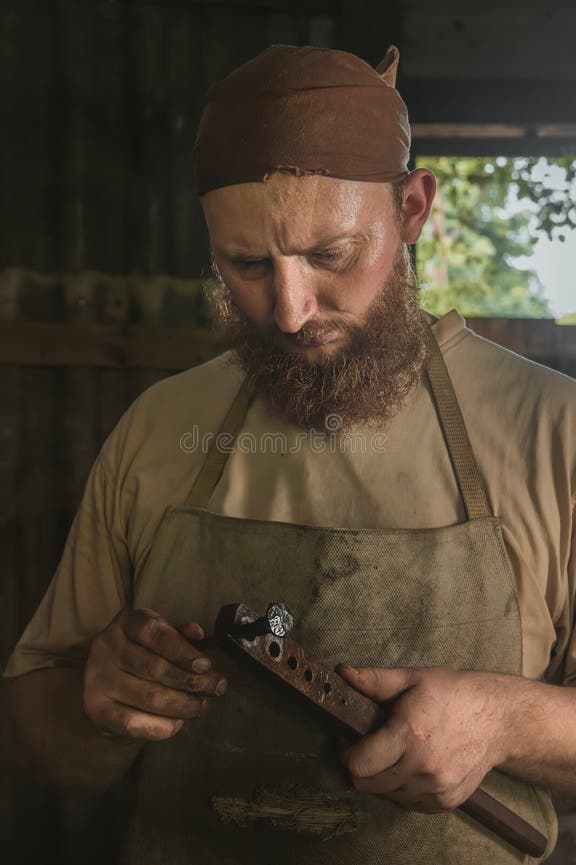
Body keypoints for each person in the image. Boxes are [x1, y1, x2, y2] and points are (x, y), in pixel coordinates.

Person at [3, 43, 576, 865]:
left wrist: (507, 719)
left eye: (329, 255)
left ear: (412, 209)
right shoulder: (158, 430)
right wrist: (97, 704)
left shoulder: (553, 434)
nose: (291, 310)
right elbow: (34, 732)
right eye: (247, 265)